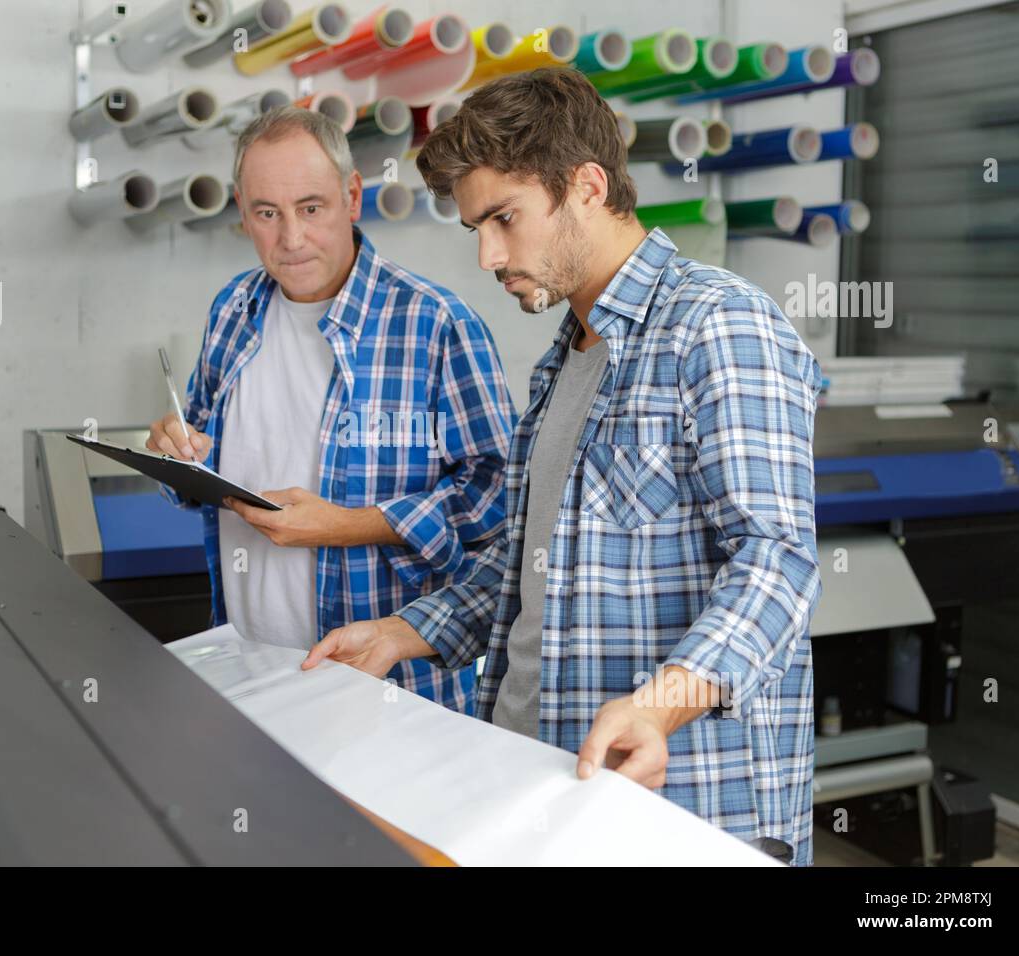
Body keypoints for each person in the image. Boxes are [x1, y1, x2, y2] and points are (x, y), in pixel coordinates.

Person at [305, 69, 822, 863]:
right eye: (476, 227)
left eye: (504, 219)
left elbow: (777, 564)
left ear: (586, 186)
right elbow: (527, 568)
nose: (487, 255)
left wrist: (660, 705)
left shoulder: (718, 325)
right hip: (537, 784)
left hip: (672, 808)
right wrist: (402, 632)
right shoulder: (563, 361)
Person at [149, 106, 515, 713]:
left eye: (311, 208)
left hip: (387, 694)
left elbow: (501, 500)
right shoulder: (233, 309)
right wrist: (176, 450)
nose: (290, 238)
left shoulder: (434, 324)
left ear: (351, 197)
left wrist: (347, 525)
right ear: (242, 211)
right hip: (246, 669)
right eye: (267, 213)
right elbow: (202, 461)